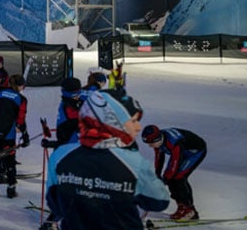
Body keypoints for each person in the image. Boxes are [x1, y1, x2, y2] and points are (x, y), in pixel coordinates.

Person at [45, 91, 169, 230]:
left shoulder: (61, 155)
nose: (138, 127)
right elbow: (159, 201)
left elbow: (56, 204)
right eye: (132, 121)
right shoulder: (133, 162)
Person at [142, 125, 207, 221]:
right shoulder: (158, 141)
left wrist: (166, 179)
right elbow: (159, 159)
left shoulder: (174, 142)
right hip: (183, 152)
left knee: (178, 178)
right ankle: (182, 207)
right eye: (147, 143)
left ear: (157, 139)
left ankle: (190, 210)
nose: (150, 146)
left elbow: (175, 162)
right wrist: (158, 176)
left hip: (195, 152)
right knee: (172, 179)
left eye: (151, 143)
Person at [0, 73, 29, 198]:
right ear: (21, 86)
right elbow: (21, 120)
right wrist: (24, 134)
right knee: (9, 160)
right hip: (8, 134)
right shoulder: (21, 99)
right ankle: (11, 188)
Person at [43, 77, 83, 150]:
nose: (78, 96)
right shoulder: (70, 107)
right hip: (70, 149)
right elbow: (66, 137)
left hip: (72, 146)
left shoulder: (70, 103)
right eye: (76, 95)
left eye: (79, 94)